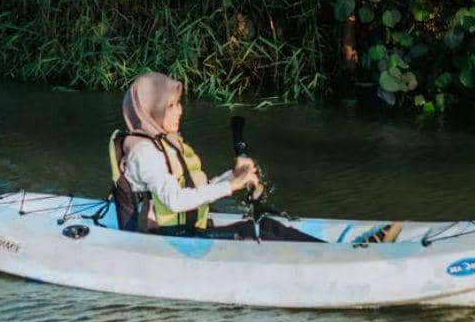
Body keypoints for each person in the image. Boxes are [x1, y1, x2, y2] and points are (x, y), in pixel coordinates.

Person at [109, 71, 324, 242]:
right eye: (171, 105)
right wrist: (230, 186)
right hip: (160, 240)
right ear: (150, 109)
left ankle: (333, 252)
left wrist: (233, 176)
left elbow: (192, 190)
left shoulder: (164, 141)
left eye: (178, 103)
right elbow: (174, 201)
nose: (180, 111)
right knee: (264, 230)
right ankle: (333, 258)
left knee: (268, 226)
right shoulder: (144, 152)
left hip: (182, 232)